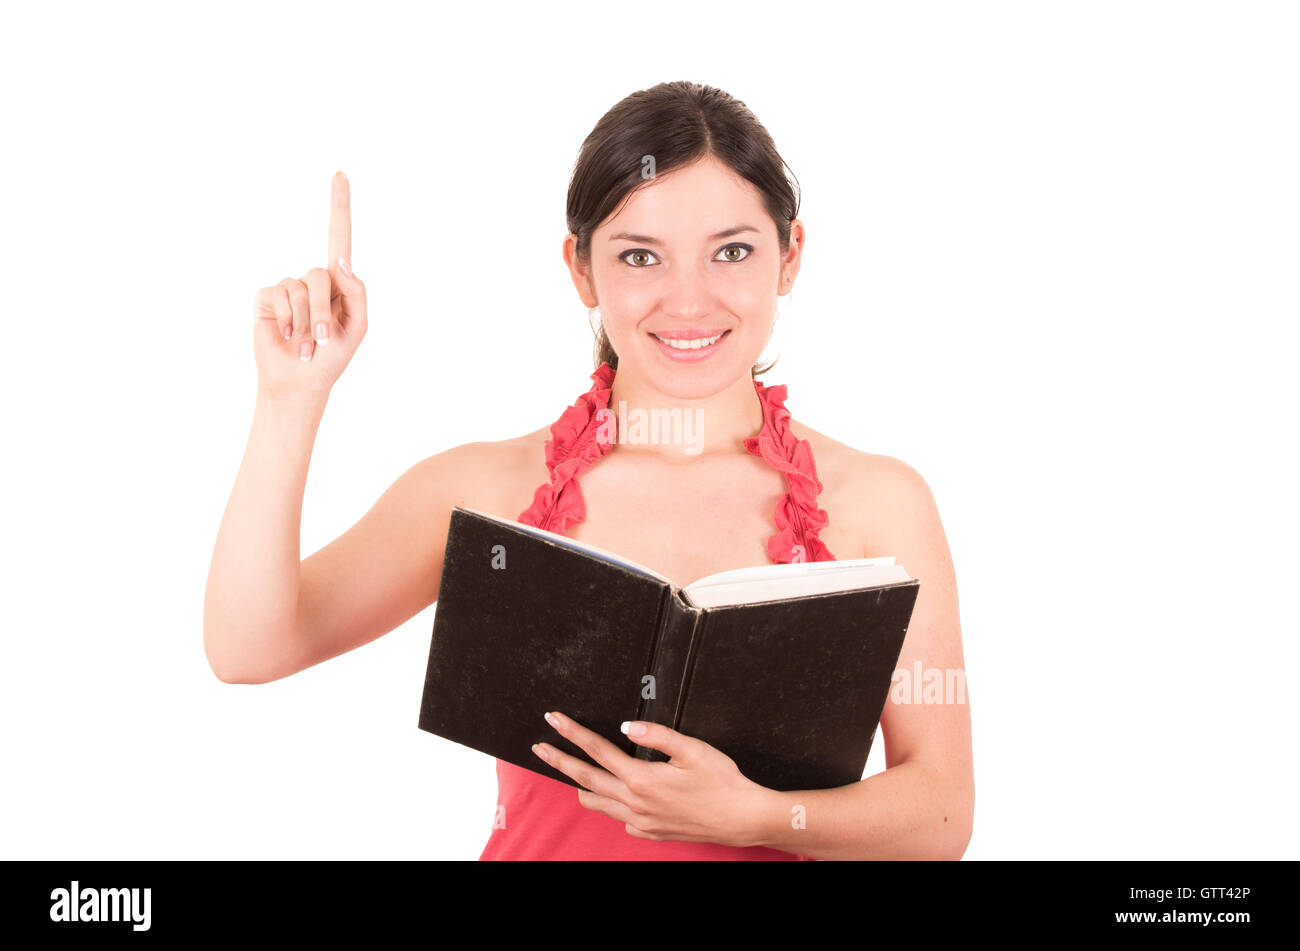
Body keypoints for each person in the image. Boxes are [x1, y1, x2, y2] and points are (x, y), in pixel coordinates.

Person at [204, 80, 974, 860]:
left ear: (790, 256)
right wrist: (288, 398)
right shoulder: (487, 491)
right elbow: (250, 648)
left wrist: (761, 817)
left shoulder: (879, 503)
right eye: (641, 256)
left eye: (732, 251)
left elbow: (942, 813)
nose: (688, 300)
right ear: (580, 269)